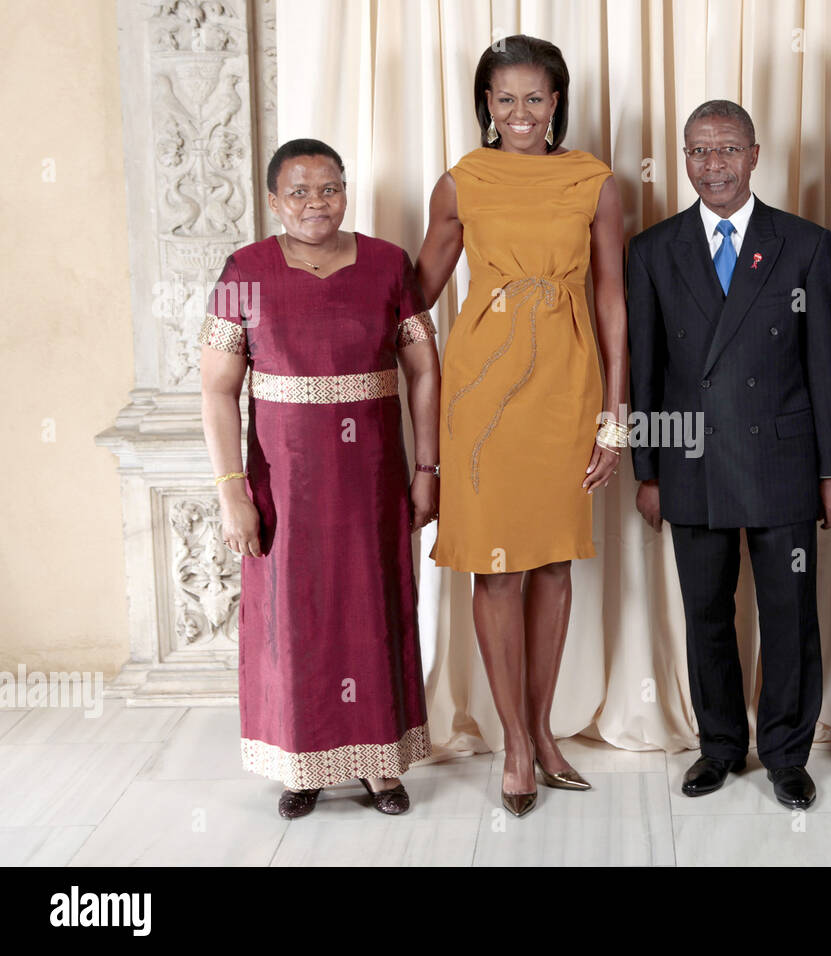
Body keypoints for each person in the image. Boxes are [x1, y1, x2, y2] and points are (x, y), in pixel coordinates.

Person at [415, 36, 627, 818]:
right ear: (486, 106)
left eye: (535, 98)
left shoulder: (596, 181)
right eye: (504, 99)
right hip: (484, 389)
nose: (520, 113)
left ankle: (542, 731)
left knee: (553, 565)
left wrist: (617, 415)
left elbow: (612, 299)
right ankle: (512, 741)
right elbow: (416, 289)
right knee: (497, 569)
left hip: (568, 387)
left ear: (558, 102)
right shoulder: (461, 182)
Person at [199, 138, 439, 819]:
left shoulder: (390, 265)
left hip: (371, 485)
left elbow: (425, 369)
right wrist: (231, 492)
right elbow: (217, 391)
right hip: (283, 491)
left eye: (328, 188)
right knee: (294, 620)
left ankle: (381, 763)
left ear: (346, 190)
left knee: (374, 608)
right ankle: (298, 763)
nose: (315, 203)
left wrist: (428, 467)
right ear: (274, 201)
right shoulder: (244, 271)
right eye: (298, 192)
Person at [627, 100, 831, 811]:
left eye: (726, 150)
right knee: (706, 614)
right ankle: (720, 748)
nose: (712, 165)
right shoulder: (653, 250)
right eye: (698, 151)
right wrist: (649, 470)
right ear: (683, 158)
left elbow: (827, 368)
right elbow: (647, 372)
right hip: (691, 464)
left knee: (789, 615)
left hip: (784, 464)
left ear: (755, 155)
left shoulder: (805, 244)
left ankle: (787, 753)